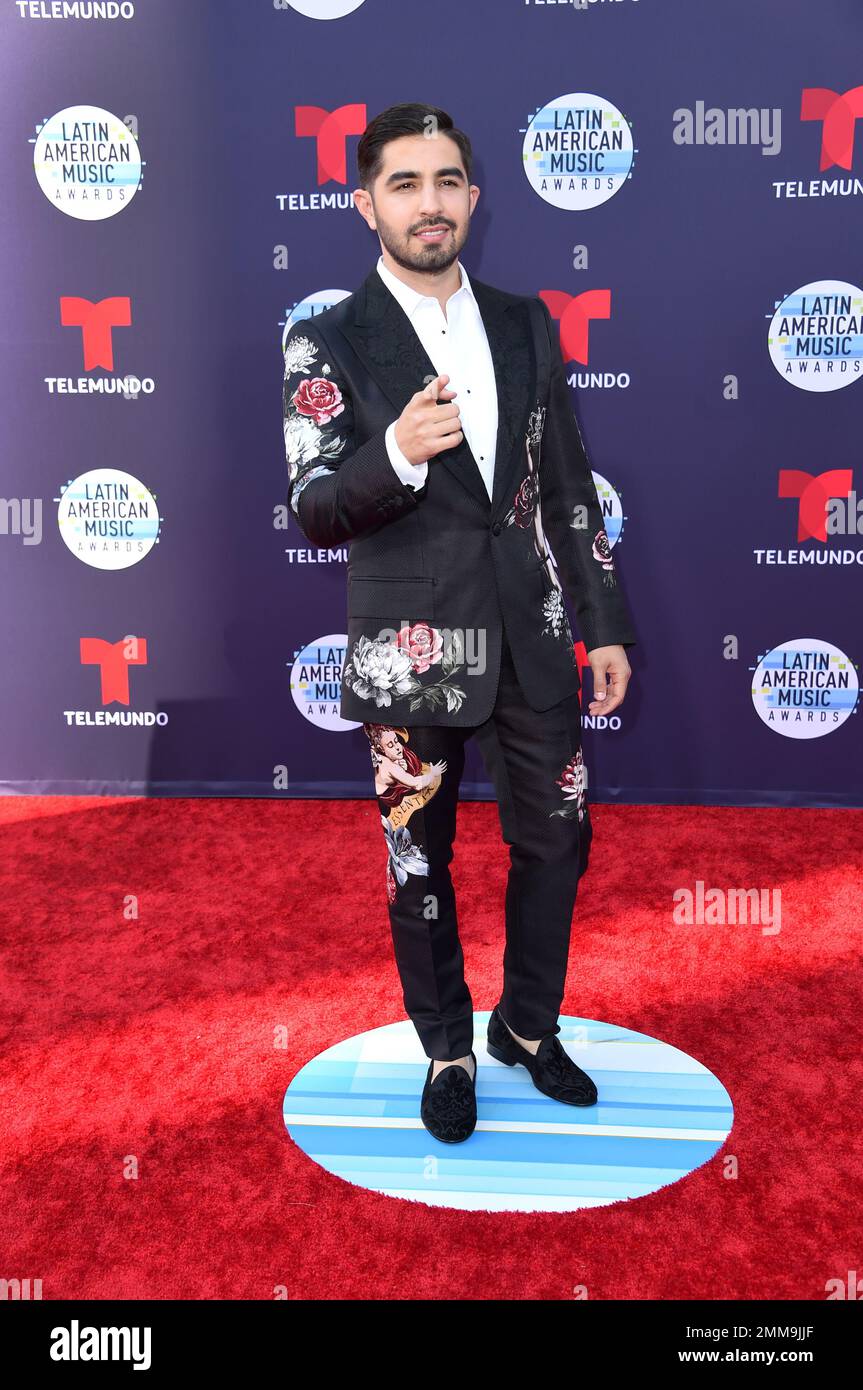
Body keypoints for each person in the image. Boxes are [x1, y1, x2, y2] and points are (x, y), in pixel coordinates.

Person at [282, 102, 636, 1143]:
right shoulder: (325, 338)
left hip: (531, 629)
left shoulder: (524, 320)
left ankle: (524, 1026)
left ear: (473, 198)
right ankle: (445, 1046)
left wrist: (602, 620)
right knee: (417, 861)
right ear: (366, 204)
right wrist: (394, 450)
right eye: (404, 183)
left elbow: (567, 484)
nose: (428, 203)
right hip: (411, 646)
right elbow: (313, 506)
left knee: (558, 840)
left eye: (446, 182)